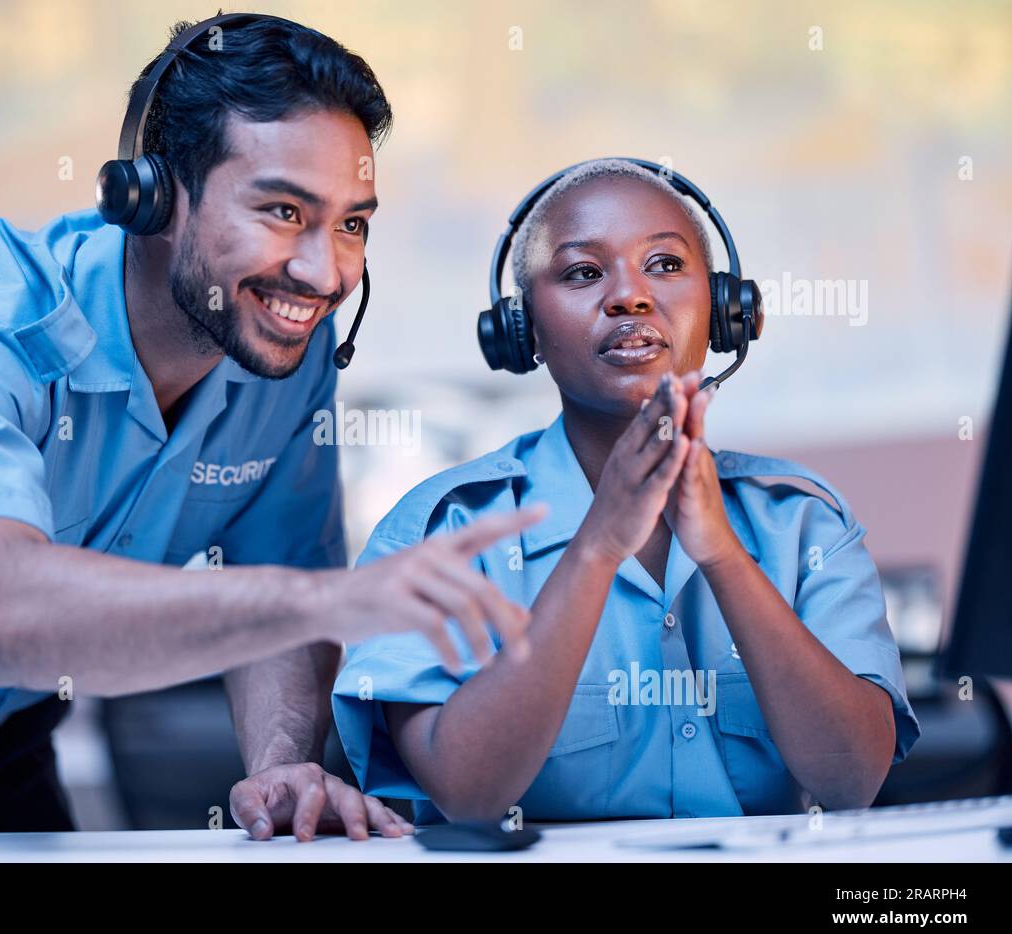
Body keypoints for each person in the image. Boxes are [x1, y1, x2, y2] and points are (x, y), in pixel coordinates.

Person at [0, 13, 536, 838]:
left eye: (351, 223)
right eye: (285, 211)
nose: (325, 274)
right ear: (152, 195)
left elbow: (280, 570)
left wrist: (284, 761)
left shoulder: (280, 341)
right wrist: (340, 598)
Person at [333, 159, 920, 823]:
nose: (630, 297)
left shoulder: (804, 524)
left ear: (725, 309)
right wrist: (597, 545)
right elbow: (464, 791)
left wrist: (725, 555)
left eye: (665, 265)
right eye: (584, 272)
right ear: (523, 331)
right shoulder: (439, 533)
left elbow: (852, 781)